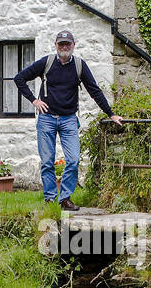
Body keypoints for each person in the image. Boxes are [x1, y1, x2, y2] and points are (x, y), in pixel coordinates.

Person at [14, 30, 123, 209]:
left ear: (73, 45)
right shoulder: (46, 63)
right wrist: (34, 100)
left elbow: (94, 90)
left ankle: (64, 199)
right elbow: (19, 79)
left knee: (73, 159)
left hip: (69, 120)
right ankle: (50, 199)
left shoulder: (80, 65)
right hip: (46, 119)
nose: (64, 47)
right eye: (61, 44)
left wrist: (110, 114)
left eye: (68, 44)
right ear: (56, 45)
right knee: (47, 161)